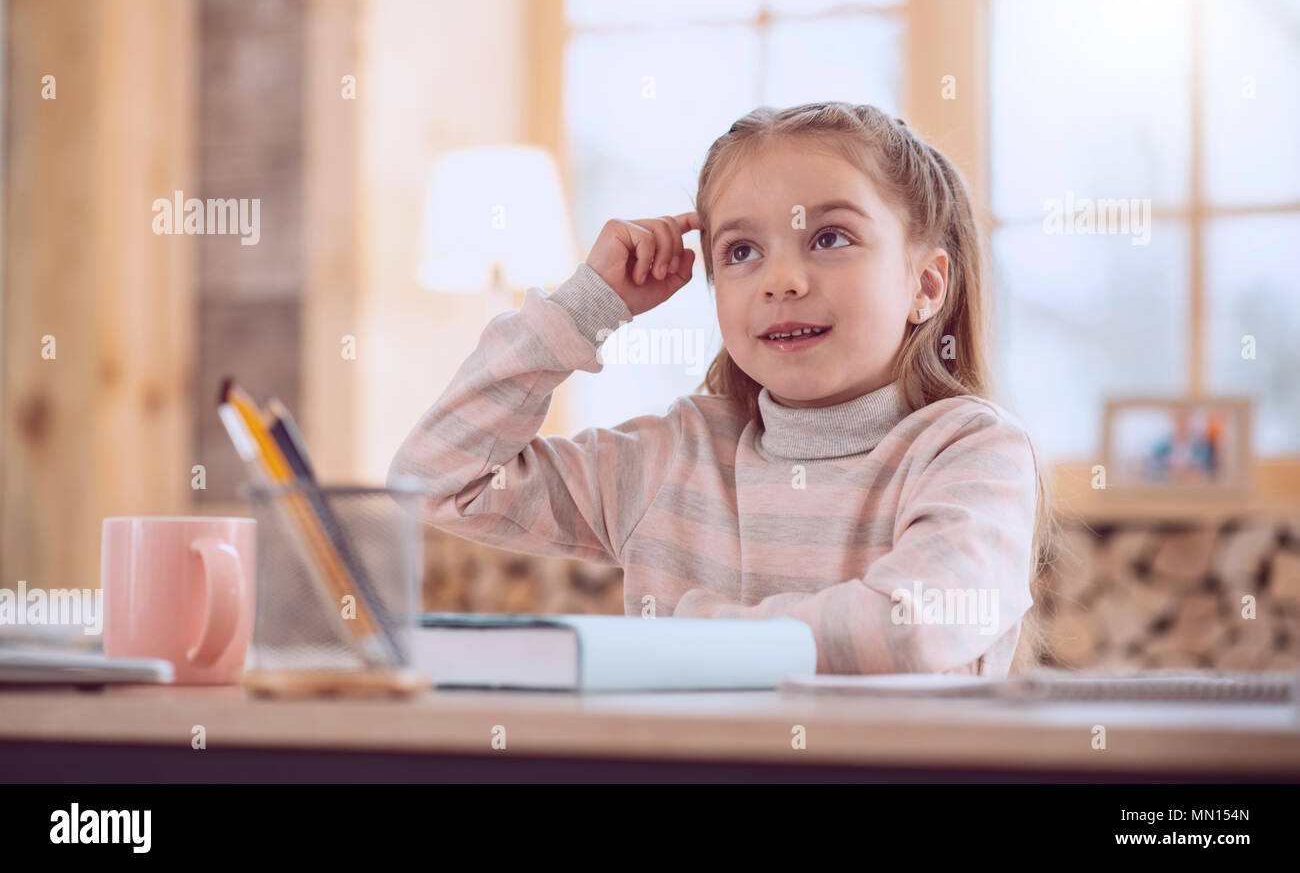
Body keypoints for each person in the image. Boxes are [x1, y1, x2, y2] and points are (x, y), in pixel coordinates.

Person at [389, 101, 1059, 675]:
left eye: (830, 237)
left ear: (926, 285)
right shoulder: (672, 458)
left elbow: (913, 624)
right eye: (741, 251)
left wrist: (686, 635)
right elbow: (436, 480)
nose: (782, 279)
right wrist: (584, 307)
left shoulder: (972, 452)